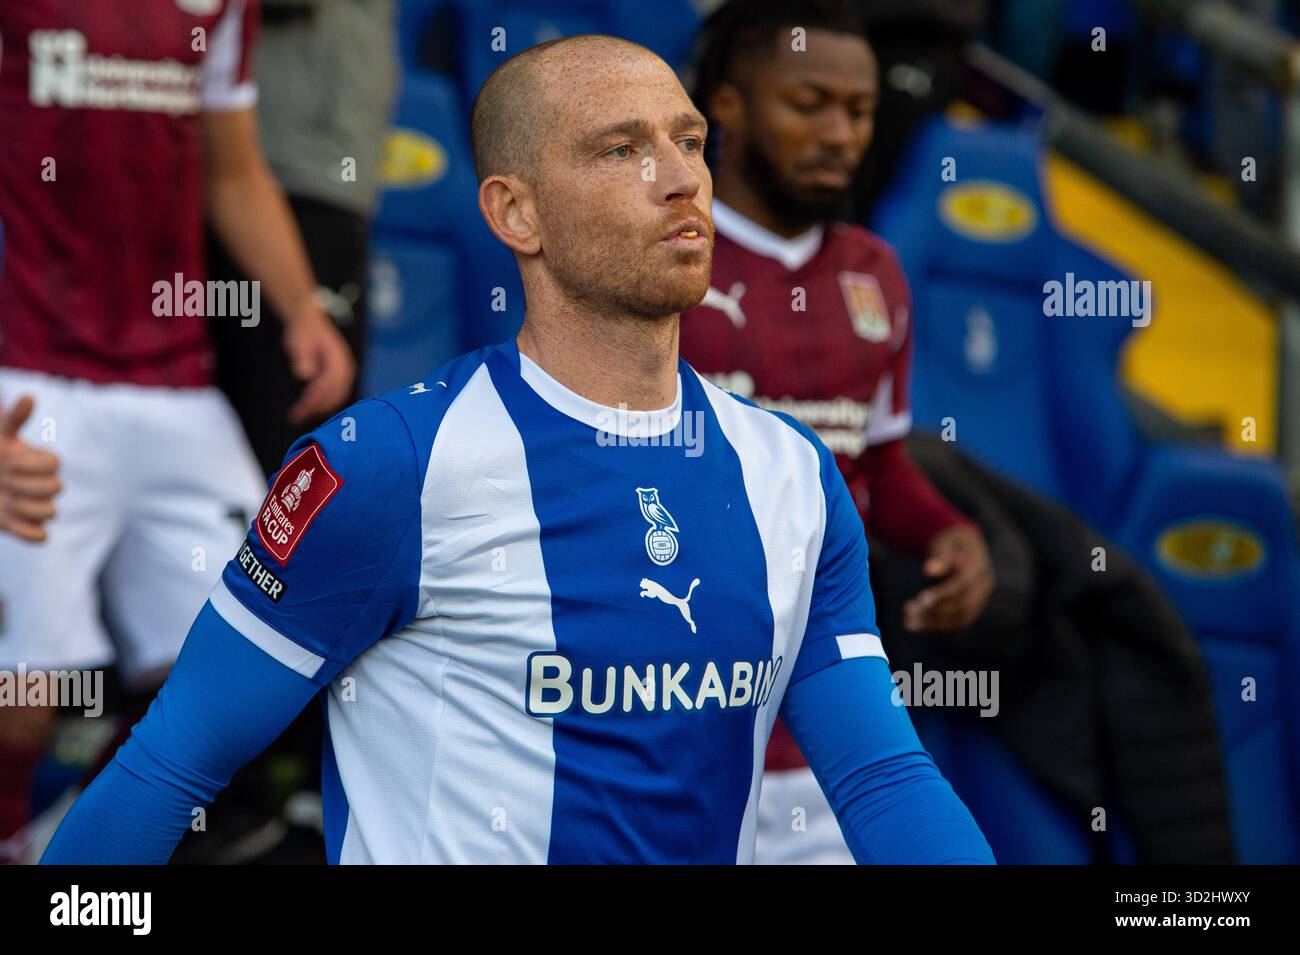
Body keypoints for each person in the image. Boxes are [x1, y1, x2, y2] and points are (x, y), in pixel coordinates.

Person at [41, 34, 993, 865]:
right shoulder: (390, 464)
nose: (680, 178)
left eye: (690, 140)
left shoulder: (793, 473)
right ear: (514, 214)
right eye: (622, 149)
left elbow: (881, 778)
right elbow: (170, 766)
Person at [0, 0, 354, 859]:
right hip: (27, 370)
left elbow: (231, 169)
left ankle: (70, 843)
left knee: (252, 663)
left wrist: (303, 308)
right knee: (22, 705)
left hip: (174, 378)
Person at [681, 0, 994, 863]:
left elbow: (876, 462)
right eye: (808, 102)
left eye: (857, 110)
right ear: (732, 108)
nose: (840, 133)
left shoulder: (875, 273)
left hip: (830, 735)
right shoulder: (666, 264)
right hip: (675, 718)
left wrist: (950, 533)